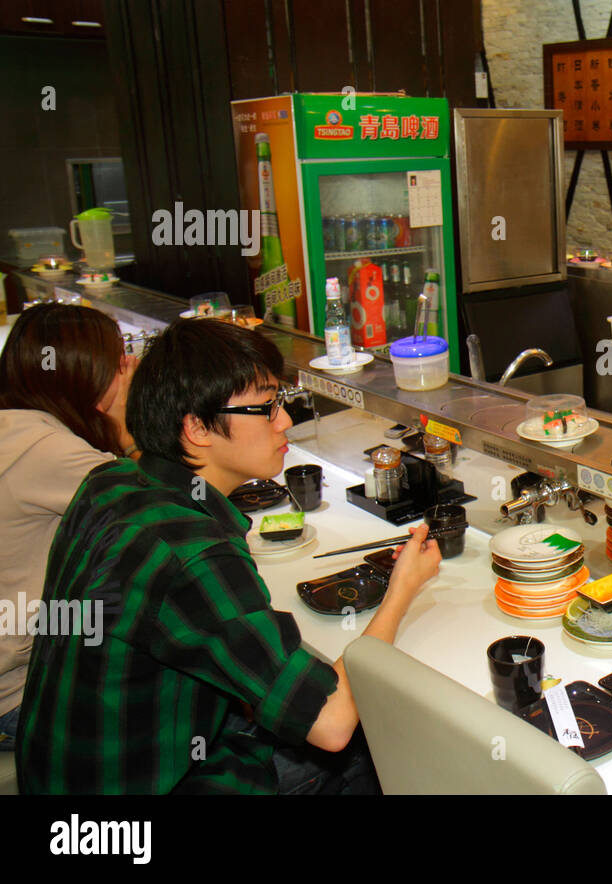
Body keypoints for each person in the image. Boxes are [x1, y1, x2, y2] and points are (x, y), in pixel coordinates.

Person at [17, 318, 441, 793]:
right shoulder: (191, 551)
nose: (283, 421)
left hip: (57, 775)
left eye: (280, 401)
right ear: (197, 427)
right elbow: (332, 720)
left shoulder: (110, 483)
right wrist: (401, 591)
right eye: (265, 407)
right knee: (368, 749)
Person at [0, 303, 137, 749]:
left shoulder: (16, 425)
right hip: (22, 697)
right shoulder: (46, 450)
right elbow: (162, 513)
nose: (130, 366)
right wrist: (124, 422)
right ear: (87, 373)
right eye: (119, 359)